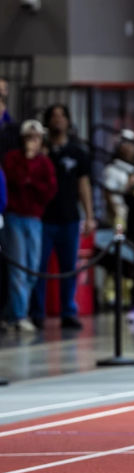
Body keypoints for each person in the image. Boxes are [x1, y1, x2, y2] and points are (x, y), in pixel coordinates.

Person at [29, 105, 95, 330]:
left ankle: (68, 310)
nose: (58, 120)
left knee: (69, 267)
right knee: (39, 267)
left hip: (69, 217)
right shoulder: (39, 150)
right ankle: (37, 312)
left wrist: (89, 215)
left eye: (62, 116)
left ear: (68, 121)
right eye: (53, 116)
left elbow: (83, 184)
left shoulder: (77, 152)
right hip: (43, 218)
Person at [1, 120, 57, 333]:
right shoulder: (12, 158)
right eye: (29, 137)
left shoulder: (45, 163)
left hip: (35, 218)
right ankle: (19, 316)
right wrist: (28, 165)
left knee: (32, 269)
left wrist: (31, 174)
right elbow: (15, 180)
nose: (32, 141)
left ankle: (9, 313)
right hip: (14, 217)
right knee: (18, 268)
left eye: (36, 137)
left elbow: (48, 190)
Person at [102, 129, 134, 228]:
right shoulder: (112, 169)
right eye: (126, 144)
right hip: (118, 217)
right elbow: (109, 195)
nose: (130, 148)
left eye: (132, 144)